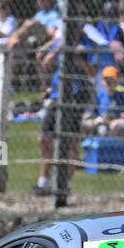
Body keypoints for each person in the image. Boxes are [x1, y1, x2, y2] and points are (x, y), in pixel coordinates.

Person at [35, 24, 90, 195]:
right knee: (44, 138)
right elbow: (45, 63)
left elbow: (93, 72)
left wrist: (79, 60)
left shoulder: (86, 44)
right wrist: (59, 48)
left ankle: (65, 184)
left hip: (76, 95)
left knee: (70, 142)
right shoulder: (59, 42)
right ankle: (44, 182)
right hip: (57, 95)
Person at [8, 0, 63, 90]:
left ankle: (11, 39)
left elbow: (53, 33)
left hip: (47, 38)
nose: (39, 1)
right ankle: (10, 86)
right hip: (34, 40)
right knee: (15, 46)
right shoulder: (39, 14)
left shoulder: (55, 14)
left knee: (30, 23)